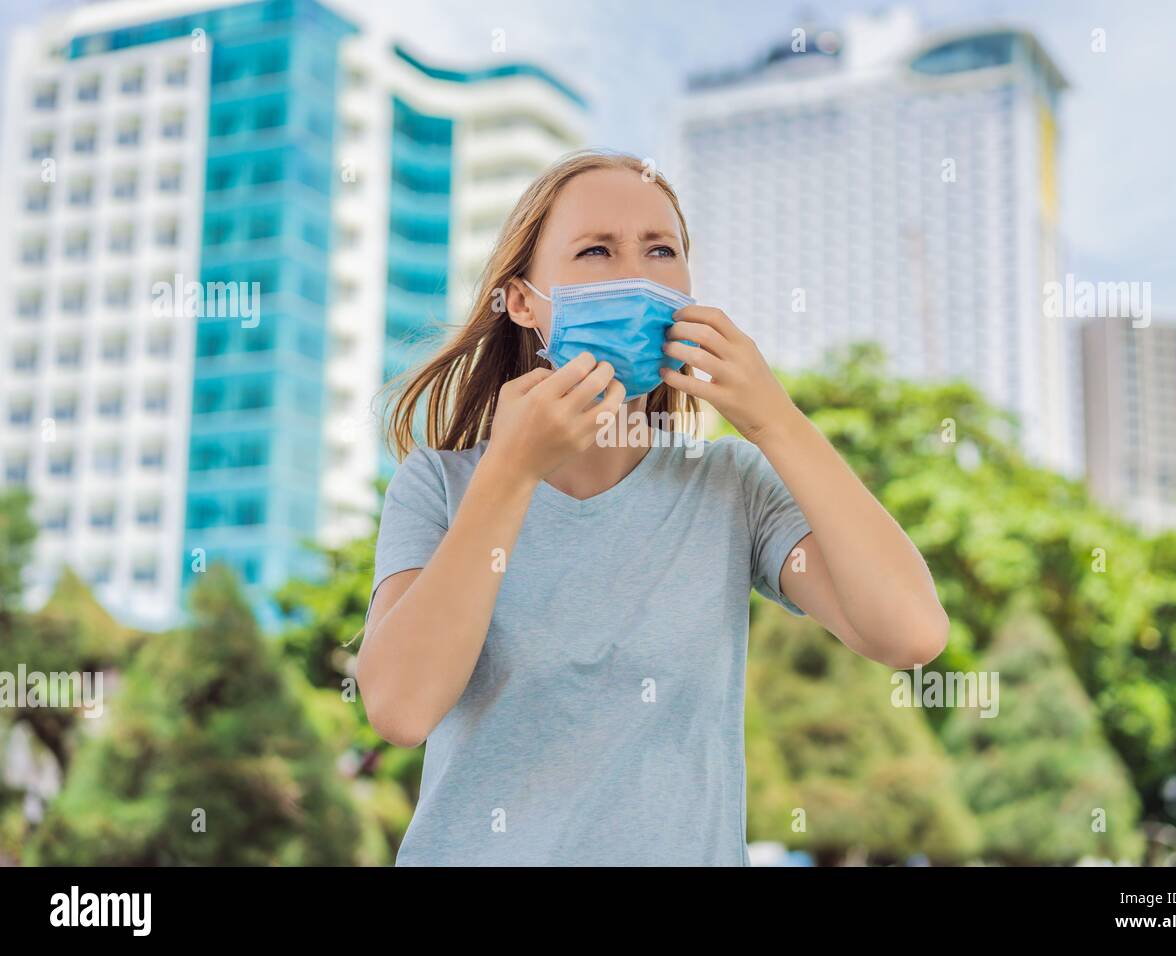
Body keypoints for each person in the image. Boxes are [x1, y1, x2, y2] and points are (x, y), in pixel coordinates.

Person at [358, 149, 949, 865]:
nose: (634, 274)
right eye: (594, 250)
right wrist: (510, 472)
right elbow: (399, 708)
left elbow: (911, 633)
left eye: (660, 250)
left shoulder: (731, 484)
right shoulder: (440, 485)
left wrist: (775, 421)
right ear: (520, 302)